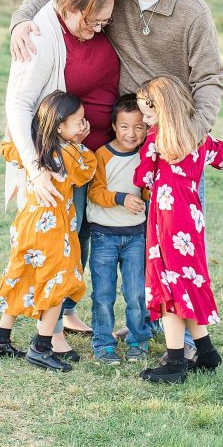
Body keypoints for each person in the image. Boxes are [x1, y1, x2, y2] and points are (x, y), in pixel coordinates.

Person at [8, 0, 223, 361]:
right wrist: (20, 22)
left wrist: (187, 137)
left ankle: (177, 333)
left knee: (173, 238)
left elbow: (210, 79)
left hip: (169, 138)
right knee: (100, 225)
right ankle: (88, 314)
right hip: (119, 131)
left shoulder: (192, 11)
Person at [3, 0, 120, 354]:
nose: (98, 29)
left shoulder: (92, 13)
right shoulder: (41, 35)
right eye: (92, 21)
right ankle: (47, 334)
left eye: (104, 23)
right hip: (57, 164)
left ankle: (64, 313)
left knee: (80, 235)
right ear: (70, 8)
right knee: (57, 245)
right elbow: (19, 105)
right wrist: (36, 168)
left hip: (90, 157)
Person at [0, 92, 97, 372]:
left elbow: (7, 147)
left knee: (21, 275)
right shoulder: (69, 154)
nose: (83, 126)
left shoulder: (32, 150)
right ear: (59, 126)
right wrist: (79, 143)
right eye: (79, 122)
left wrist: (12, 118)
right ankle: (42, 347)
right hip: (54, 229)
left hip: (27, 223)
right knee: (58, 284)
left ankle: (0, 338)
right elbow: (87, 170)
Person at [133, 75, 223, 385]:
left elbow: (142, 178)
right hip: (190, 217)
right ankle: (206, 352)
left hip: (167, 220)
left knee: (169, 285)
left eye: (148, 115)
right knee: (186, 281)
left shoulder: (156, 140)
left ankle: (175, 363)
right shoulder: (199, 138)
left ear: (162, 111)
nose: (146, 121)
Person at [86, 94, 152, 365]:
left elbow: (147, 187)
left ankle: (138, 339)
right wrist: (121, 198)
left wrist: (147, 193)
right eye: (124, 126)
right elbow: (95, 192)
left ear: (146, 128)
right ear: (114, 126)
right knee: (103, 294)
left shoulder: (147, 155)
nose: (131, 133)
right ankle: (103, 342)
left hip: (136, 235)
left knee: (136, 292)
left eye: (138, 127)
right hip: (104, 235)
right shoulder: (102, 155)